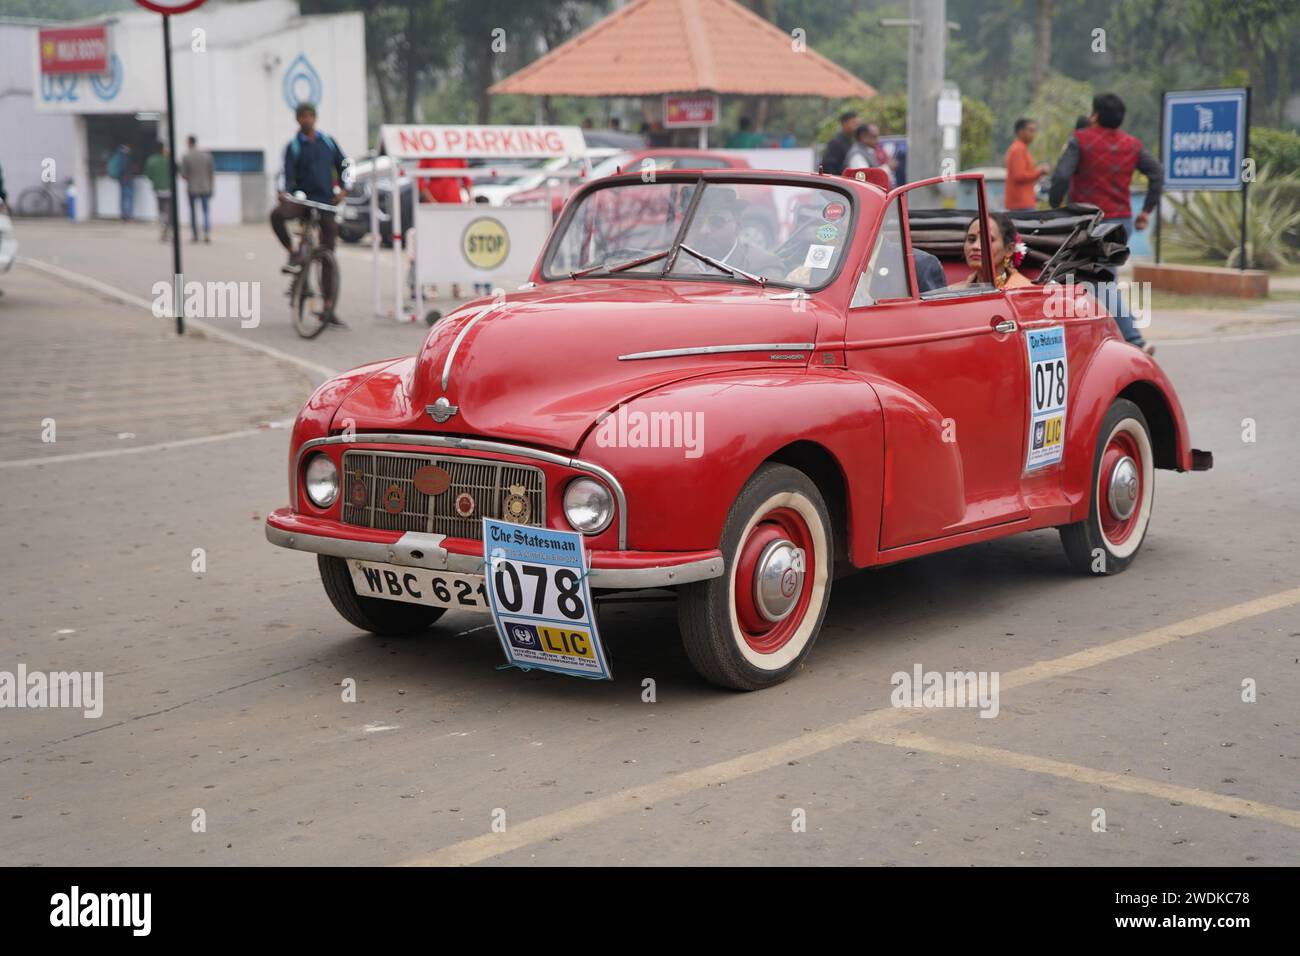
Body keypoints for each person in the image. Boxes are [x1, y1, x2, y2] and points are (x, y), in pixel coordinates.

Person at [1049, 92, 1164, 354]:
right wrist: (1146, 210)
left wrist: (1056, 206)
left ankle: (1134, 340)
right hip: (1121, 222)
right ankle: (1094, 338)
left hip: (1088, 222)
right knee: (1090, 279)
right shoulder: (1132, 145)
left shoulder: (1081, 140)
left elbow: (1061, 176)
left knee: (1095, 281)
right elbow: (1157, 173)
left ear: (1095, 115)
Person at [270, 102, 347, 326]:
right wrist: (284, 192)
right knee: (276, 215)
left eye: (310, 116)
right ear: (298, 119)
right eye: (303, 116)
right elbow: (285, 175)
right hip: (301, 201)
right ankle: (294, 251)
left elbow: (345, 166)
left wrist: (344, 189)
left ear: (315, 118)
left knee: (328, 253)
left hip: (325, 202)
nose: (307, 119)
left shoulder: (328, 142)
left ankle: (329, 308)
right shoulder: (293, 147)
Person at [682, 187, 785, 280]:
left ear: (737, 226)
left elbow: (761, 299)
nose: (704, 230)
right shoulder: (676, 260)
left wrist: (701, 279)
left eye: (716, 222)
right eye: (697, 223)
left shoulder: (763, 264)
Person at [950, 211, 1033, 291]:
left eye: (986, 240)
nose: (975, 246)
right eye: (971, 239)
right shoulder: (951, 294)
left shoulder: (1028, 294)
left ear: (1009, 249)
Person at [1004, 118, 1050, 211]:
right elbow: (1019, 175)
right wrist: (1039, 171)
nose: (1033, 134)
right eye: (1031, 130)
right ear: (1020, 131)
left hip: (1024, 202)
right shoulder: (1018, 149)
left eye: (1034, 131)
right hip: (1020, 204)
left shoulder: (1022, 148)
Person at [180, 135, 214, 243]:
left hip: (192, 188)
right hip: (205, 187)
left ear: (189, 143)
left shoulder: (186, 156)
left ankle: (195, 235)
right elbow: (211, 173)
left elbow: (184, 175)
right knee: (205, 212)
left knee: (193, 212)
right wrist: (211, 187)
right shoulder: (207, 156)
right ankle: (206, 233)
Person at [143, 142, 173, 242]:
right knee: (168, 210)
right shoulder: (167, 159)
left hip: (157, 189)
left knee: (161, 211)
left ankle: (163, 228)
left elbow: (148, 175)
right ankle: (168, 229)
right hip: (168, 188)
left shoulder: (151, 160)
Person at [821, 110, 858, 175]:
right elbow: (828, 166)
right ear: (844, 123)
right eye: (853, 123)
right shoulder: (836, 142)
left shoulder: (849, 140)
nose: (856, 126)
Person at [107, 144, 134, 221]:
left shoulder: (118, 155)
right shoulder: (125, 157)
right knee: (128, 197)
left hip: (121, 179)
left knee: (123, 197)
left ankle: (123, 215)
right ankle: (127, 216)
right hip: (127, 179)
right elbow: (126, 168)